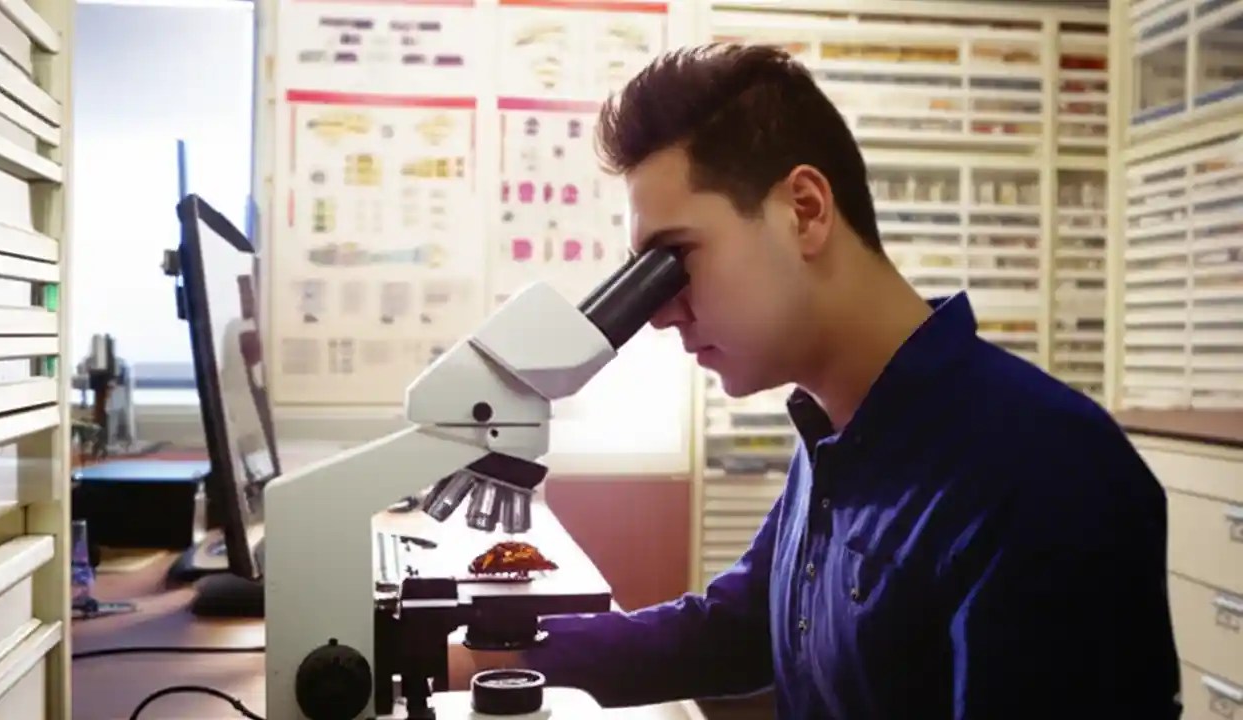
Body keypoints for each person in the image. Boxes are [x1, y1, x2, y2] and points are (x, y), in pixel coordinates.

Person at [454, 43, 1181, 718]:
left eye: (675, 260)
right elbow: (740, 629)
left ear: (804, 211)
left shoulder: (1044, 474)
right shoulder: (840, 431)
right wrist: (497, 659)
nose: (660, 314)